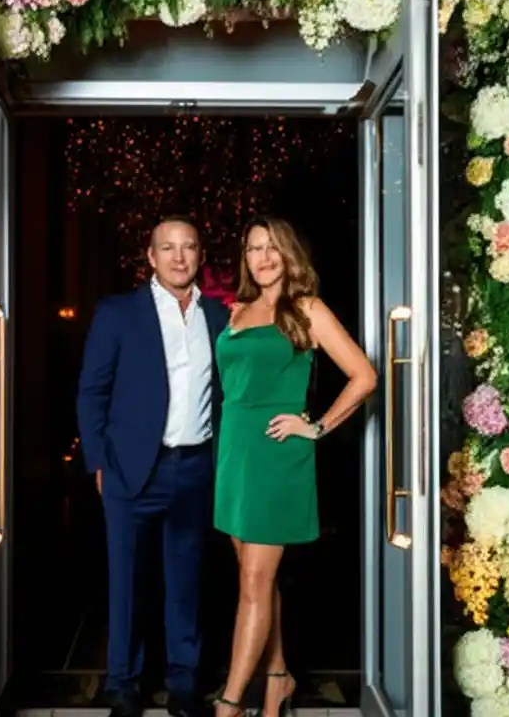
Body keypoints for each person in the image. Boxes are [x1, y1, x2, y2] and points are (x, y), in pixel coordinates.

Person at [211, 217, 377, 717]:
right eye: (253, 248)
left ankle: (229, 703)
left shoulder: (305, 309)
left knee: (254, 584)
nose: (261, 258)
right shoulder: (237, 311)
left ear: (289, 256)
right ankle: (278, 676)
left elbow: (364, 377)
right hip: (235, 454)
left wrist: (318, 426)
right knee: (254, 577)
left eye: (272, 249)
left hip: (276, 457)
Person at [76, 216, 230, 717]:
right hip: (129, 470)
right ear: (151, 257)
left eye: (188, 247)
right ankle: (123, 683)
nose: (179, 257)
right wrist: (99, 462)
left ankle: (184, 683)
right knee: (126, 583)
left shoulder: (219, 318)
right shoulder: (119, 313)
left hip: (195, 467)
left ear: (200, 255)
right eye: (168, 248)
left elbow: (230, 394)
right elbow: (92, 391)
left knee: (187, 581)